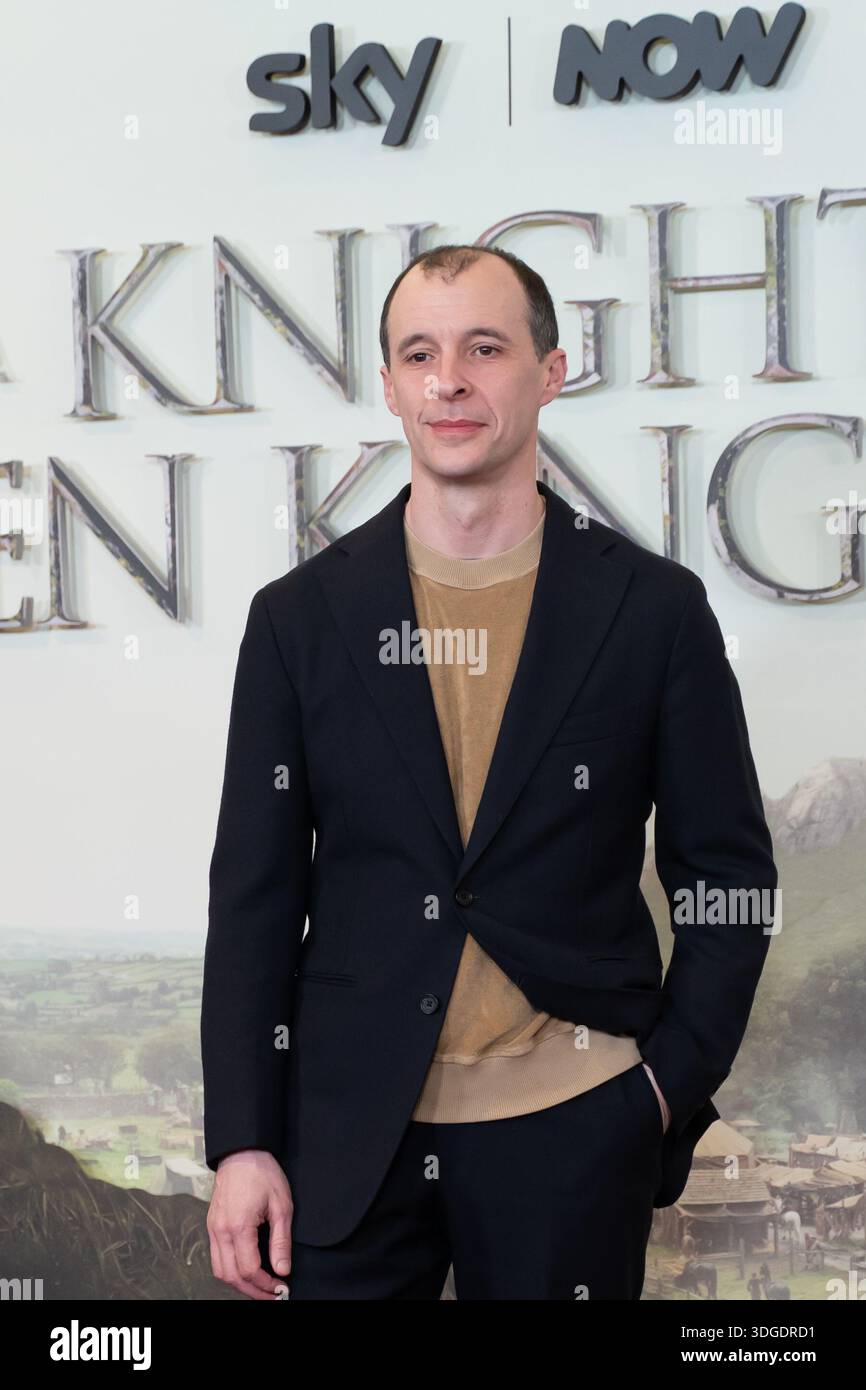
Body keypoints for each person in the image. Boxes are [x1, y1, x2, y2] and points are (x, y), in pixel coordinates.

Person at [200, 243, 778, 1300]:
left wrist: (655, 1092)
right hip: (346, 1139)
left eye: (482, 347)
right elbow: (252, 900)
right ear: (387, 386)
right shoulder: (298, 620)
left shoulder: (652, 613)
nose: (447, 379)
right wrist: (242, 1142)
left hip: (576, 1130)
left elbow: (727, 880)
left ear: (548, 371)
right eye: (418, 352)